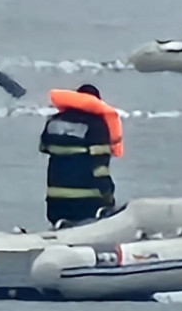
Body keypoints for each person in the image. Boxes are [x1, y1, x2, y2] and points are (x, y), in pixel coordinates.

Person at [39, 84, 123, 227]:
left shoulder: (54, 121)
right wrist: (108, 197)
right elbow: (100, 167)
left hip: (55, 202)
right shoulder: (97, 124)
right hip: (87, 202)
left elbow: (44, 147)